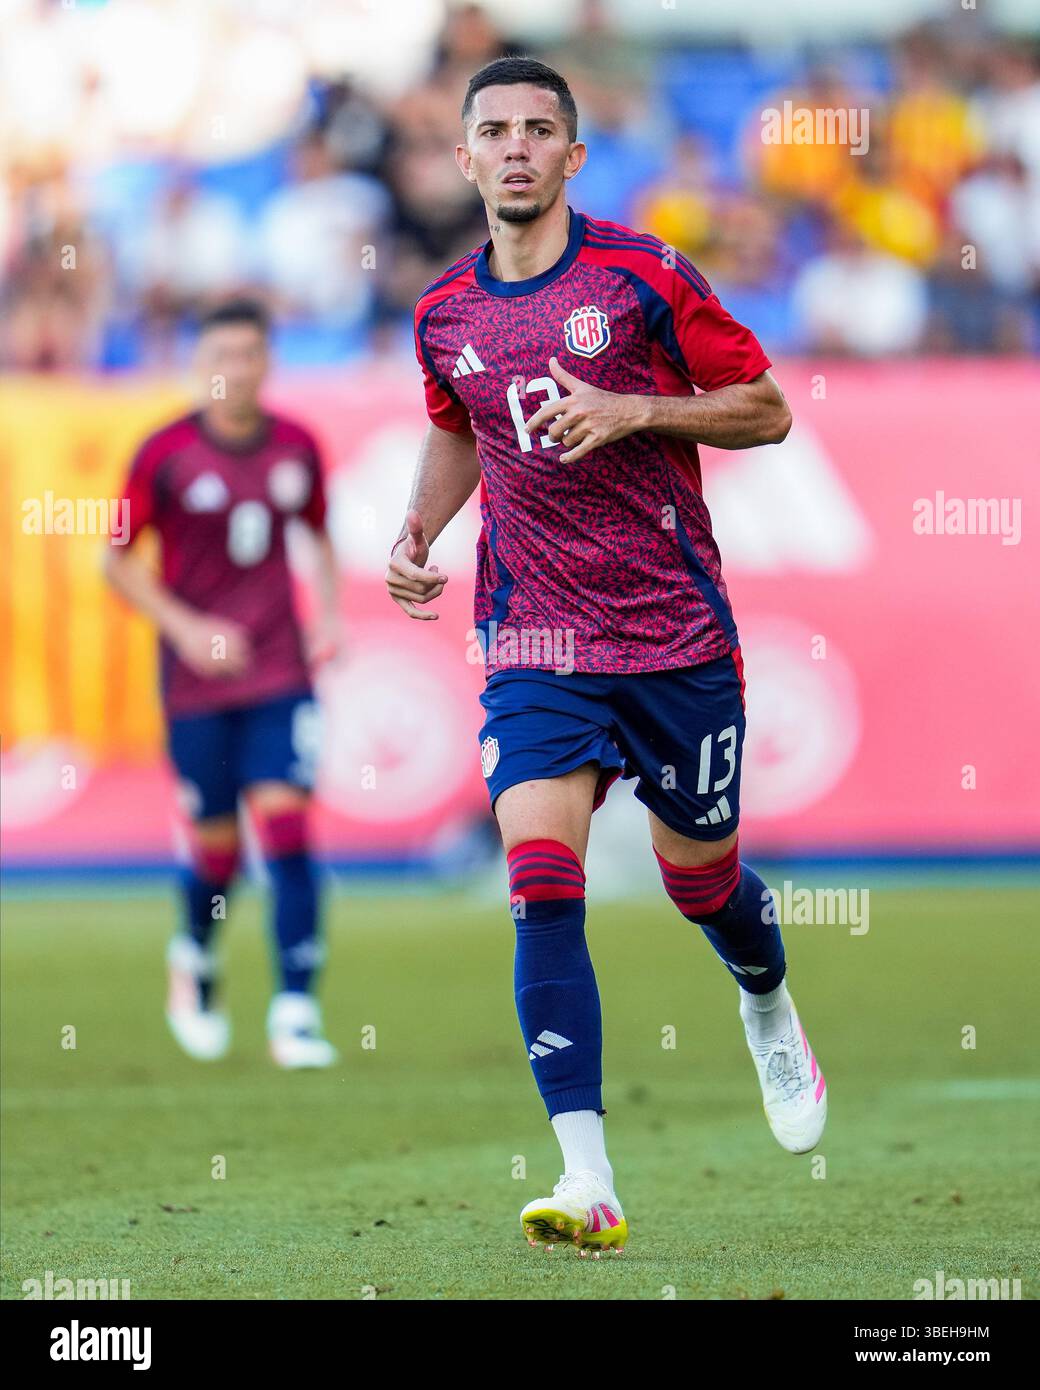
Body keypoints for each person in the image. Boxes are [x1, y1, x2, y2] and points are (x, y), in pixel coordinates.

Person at [386, 57, 825, 1255]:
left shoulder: (640, 275)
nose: (516, 147)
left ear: (573, 158)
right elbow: (455, 424)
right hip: (533, 639)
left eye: (540, 130)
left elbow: (767, 406)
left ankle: (765, 999)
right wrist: (422, 529)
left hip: (673, 635)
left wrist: (639, 409)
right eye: (494, 131)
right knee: (539, 875)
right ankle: (587, 1175)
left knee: (701, 880)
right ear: (465, 157)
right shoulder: (442, 316)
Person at [105, 298, 342, 1069]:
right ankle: (196, 960)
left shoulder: (298, 446)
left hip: (280, 671)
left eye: (248, 355)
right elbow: (114, 561)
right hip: (196, 684)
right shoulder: (163, 453)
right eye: (220, 357)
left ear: (267, 361)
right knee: (217, 849)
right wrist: (185, 629)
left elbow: (318, 533)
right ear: (198, 364)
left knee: (287, 828)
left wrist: (329, 617)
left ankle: (296, 1009)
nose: (234, 371)